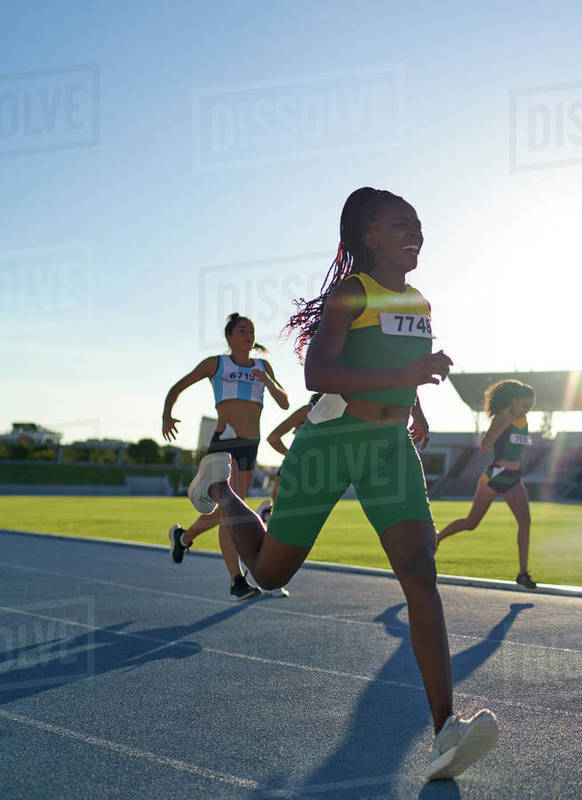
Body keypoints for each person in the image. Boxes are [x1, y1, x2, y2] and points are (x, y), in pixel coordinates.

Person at [183, 187, 498, 781]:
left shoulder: (421, 301)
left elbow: (403, 372)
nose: (416, 232)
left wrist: (414, 405)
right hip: (332, 440)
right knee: (271, 574)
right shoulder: (351, 292)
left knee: (420, 572)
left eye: (420, 224)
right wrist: (401, 374)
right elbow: (317, 373)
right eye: (400, 223)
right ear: (369, 234)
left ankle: (445, 732)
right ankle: (222, 490)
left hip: (388, 447)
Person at [162, 313, 290, 600]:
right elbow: (177, 387)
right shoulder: (217, 364)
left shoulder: (262, 366)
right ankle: (236, 581)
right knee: (231, 515)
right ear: (230, 337)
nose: (248, 334)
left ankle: (183, 538)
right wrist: (167, 416)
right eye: (242, 330)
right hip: (226, 442)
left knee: (232, 512)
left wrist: (267, 380)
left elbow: (284, 402)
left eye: (252, 330)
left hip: (250, 445)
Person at [436, 380, 537, 589]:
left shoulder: (523, 419)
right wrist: (500, 428)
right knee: (471, 523)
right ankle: (436, 539)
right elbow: (484, 446)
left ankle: (523, 573)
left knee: (525, 521)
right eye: (524, 405)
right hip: (495, 476)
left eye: (530, 406)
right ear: (513, 401)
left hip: (514, 477)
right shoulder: (502, 418)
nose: (527, 409)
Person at [257, 393, 322, 524]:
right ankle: (265, 517)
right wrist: (293, 457)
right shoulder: (308, 410)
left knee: (296, 523)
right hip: (292, 470)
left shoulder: (341, 410)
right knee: (284, 522)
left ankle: (265, 517)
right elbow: (273, 437)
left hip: (314, 473)